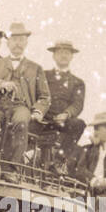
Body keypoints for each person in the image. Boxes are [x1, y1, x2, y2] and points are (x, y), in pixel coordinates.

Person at [0, 22, 51, 170]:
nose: (17, 43)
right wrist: (0, 83)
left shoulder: (36, 68)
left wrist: (38, 111)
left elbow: (45, 96)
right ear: (7, 42)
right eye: (14, 39)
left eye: (21, 40)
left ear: (26, 42)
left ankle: (12, 167)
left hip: (22, 106)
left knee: (20, 122)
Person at [42, 40, 86, 170]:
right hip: (42, 118)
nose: (63, 56)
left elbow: (78, 104)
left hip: (62, 122)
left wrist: (66, 114)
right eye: (60, 52)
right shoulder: (43, 75)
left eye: (67, 53)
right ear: (54, 55)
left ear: (72, 56)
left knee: (78, 124)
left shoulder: (77, 82)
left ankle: (58, 161)